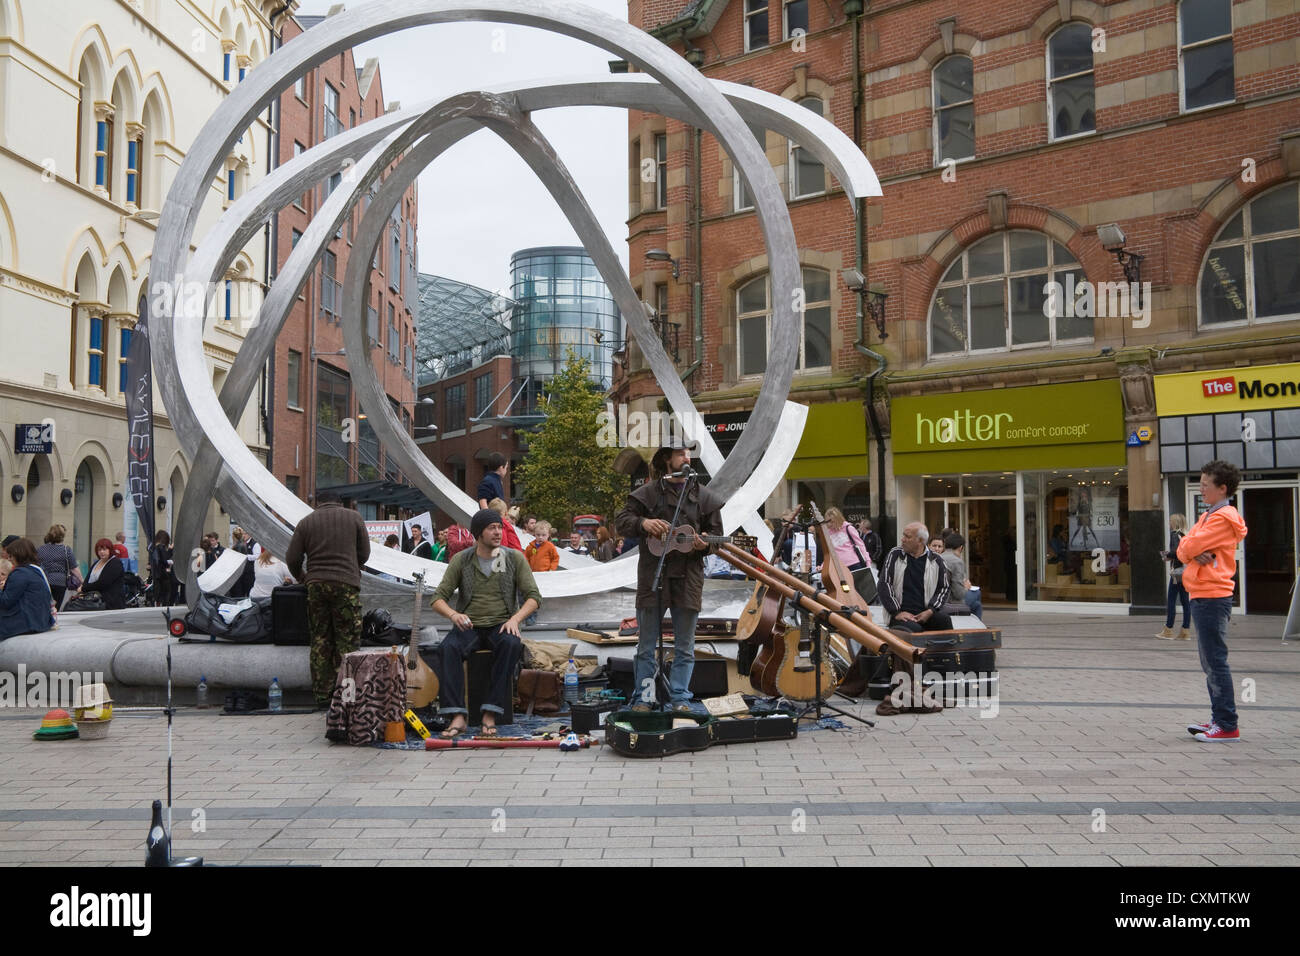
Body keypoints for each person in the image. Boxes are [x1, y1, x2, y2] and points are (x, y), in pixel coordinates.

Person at [615, 436, 723, 712]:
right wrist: (644, 522)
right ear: (667, 459)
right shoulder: (648, 493)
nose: (687, 458)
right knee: (646, 645)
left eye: (688, 453)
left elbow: (717, 537)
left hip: (688, 577)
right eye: (680, 454)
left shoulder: (704, 496)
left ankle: (680, 698)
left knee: (685, 645)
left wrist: (705, 544)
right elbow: (622, 522)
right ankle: (644, 698)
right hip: (655, 575)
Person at [430, 508, 538, 738]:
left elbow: (534, 597)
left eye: (499, 527)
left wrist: (515, 619)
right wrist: (453, 615)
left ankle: (490, 713)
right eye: (492, 528)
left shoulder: (513, 558)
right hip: (469, 625)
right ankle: (457, 715)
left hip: (501, 624)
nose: (498, 532)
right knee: (447, 648)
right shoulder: (462, 559)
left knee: (511, 645)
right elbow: (437, 598)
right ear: (478, 533)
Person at [1178, 461, 1247, 742]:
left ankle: (1227, 724)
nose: (1201, 488)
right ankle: (1219, 719)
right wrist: (1190, 550)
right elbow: (1184, 547)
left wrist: (1190, 549)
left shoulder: (1222, 518)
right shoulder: (1210, 515)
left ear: (1223, 488)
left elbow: (1189, 545)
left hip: (1211, 595)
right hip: (1202, 594)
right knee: (1210, 662)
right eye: (1201, 483)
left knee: (1215, 662)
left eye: (1206, 484)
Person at [286, 490, 371, 709]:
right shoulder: (354, 518)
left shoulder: (306, 522)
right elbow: (365, 553)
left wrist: (303, 577)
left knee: (321, 641)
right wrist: (353, 565)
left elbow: (293, 558)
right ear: (340, 502)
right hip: (346, 584)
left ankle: (323, 698)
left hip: (316, 585)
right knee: (348, 641)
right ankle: (347, 697)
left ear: (317, 503)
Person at [878, 522, 951, 633]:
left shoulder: (936, 560)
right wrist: (896, 612)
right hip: (900, 614)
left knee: (944, 621)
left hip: (925, 613)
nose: (902, 539)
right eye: (903, 535)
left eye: (907, 537)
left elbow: (944, 588)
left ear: (920, 541)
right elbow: (884, 584)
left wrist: (930, 611)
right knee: (914, 630)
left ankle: (948, 651)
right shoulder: (895, 555)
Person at [0, 538, 56, 640]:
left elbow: (5, 602)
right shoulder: (36, 571)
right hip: (40, 622)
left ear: (18, 555)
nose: (9, 559)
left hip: (25, 624)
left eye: (11, 555)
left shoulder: (20, 573)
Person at [823, 507, 875, 601]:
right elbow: (829, 552)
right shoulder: (828, 533)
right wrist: (823, 565)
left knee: (858, 593)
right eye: (827, 522)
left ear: (838, 519)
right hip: (838, 567)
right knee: (843, 593)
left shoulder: (848, 528)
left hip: (854, 565)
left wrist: (868, 561)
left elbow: (861, 545)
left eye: (832, 521)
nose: (830, 524)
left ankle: (861, 611)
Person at [1157, 513, 1191, 640]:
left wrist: (1167, 555)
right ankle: (1185, 631)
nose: (1169, 523)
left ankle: (1168, 629)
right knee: (1185, 601)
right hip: (1186, 571)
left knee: (1171, 599)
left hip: (1177, 572)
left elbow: (1177, 553)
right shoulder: (1185, 534)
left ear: (1175, 523)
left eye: (1170, 521)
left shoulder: (1174, 535)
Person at [73, 539, 126, 610]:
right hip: (94, 601)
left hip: (111, 604)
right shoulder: (97, 563)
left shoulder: (115, 563)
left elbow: (103, 583)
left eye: (104, 549)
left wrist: (84, 588)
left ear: (110, 550)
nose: (101, 552)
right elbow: (87, 579)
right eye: (99, 550)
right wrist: (83, 587)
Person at [36, 525, 78, 609]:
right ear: (62, 536)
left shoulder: (41, 549)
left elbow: (36, 565)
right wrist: (82, 581)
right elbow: (74, 568)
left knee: (45, 606)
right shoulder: (66, 550)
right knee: (57, 607)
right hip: (60, 582)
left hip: (45, 581)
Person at [941, 532, 981, 619]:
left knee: (977, 605)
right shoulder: (957, 562)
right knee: (977, 592)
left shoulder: (939, 557)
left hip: (939, 600)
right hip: (950, 602)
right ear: (961, 548)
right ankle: (976, 628)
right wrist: (966, 587)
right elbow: (959, 594)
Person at [149, 530, 175, 606]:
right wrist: (170, 550)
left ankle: (157, 602)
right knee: (166, 591)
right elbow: (164, 559)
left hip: (155, 573)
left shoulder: (153, 547)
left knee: (158, 591)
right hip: (162, 573)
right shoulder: (161, 547)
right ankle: (164, 604)